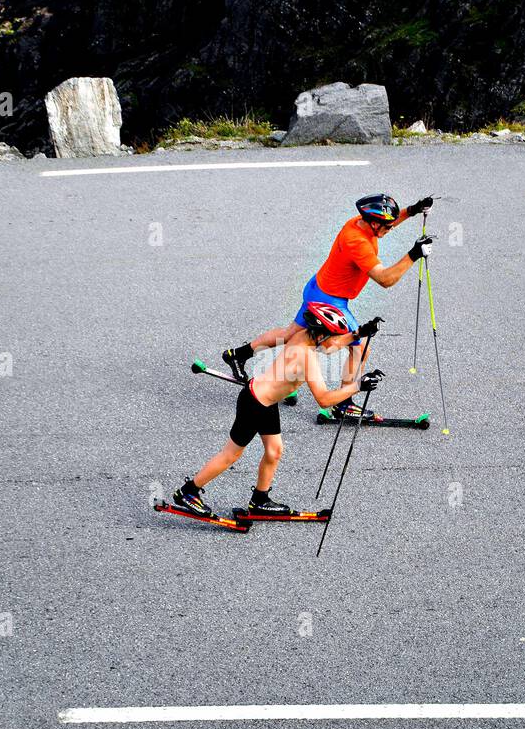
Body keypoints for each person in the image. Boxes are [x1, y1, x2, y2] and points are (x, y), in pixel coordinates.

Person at [220, 193, 432, 419]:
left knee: (290, 333)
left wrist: (412, 210)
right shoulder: (357, 242)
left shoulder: (358, 223)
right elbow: (385, 279)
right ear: (373, 223)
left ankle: (238, 354)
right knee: (360, 348)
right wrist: (413, 254)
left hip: (318, 287)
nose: (390, 229)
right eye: (386, 226)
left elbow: (387, 223)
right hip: (330, 300)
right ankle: (343, 404)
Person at [174, 303, 384, 518]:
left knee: (274, 451)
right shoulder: (307, 358)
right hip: (254, 405)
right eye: (331, 335)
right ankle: (188, 492)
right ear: (321, 334)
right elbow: (324, 399)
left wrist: (359, 333)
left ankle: (260, 501)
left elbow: (331, 345)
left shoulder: (304, 335)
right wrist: (357, 386)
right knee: (231, 454)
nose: (334, 340)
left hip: (264, 401)